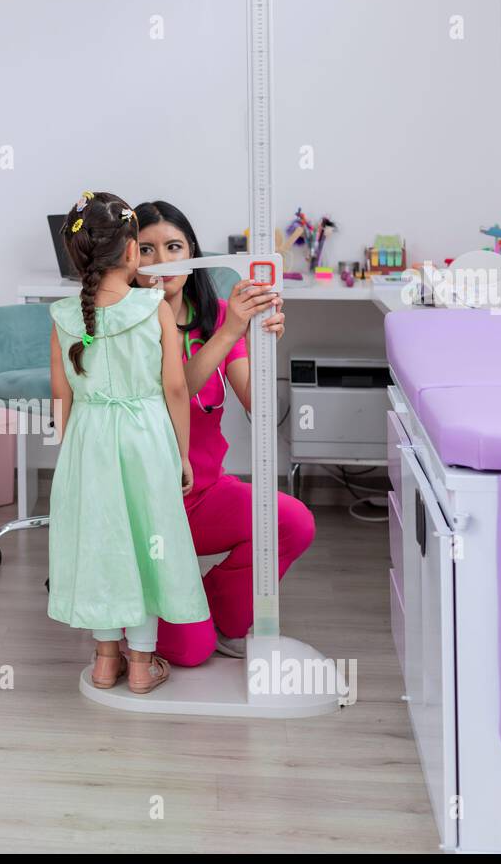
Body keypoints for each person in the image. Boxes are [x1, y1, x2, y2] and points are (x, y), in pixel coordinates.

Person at [134, 200, 315, 666]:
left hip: (204, 496)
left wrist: (259, 341)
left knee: (292, 522)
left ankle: (212, 611)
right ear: (129, 257)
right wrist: (232, 329)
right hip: (149, 508)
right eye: (148, 250)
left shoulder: (212, 314)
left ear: (192, 252)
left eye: (174, 247)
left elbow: (260, 406)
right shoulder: (125, 322)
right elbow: (173, 388)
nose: (163, 262)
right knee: (187, 656)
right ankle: (143, 615)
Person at [46, 191, 209, 694]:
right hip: (145, 437)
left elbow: (60, 394)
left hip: (88, 439)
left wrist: (68, 454)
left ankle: (103, 660)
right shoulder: (152, 306)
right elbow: (176, 388)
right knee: (148, 542)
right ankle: (141, 666)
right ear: (133, 251)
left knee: (104, 544)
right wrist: (182, 453)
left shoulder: (62, 315)